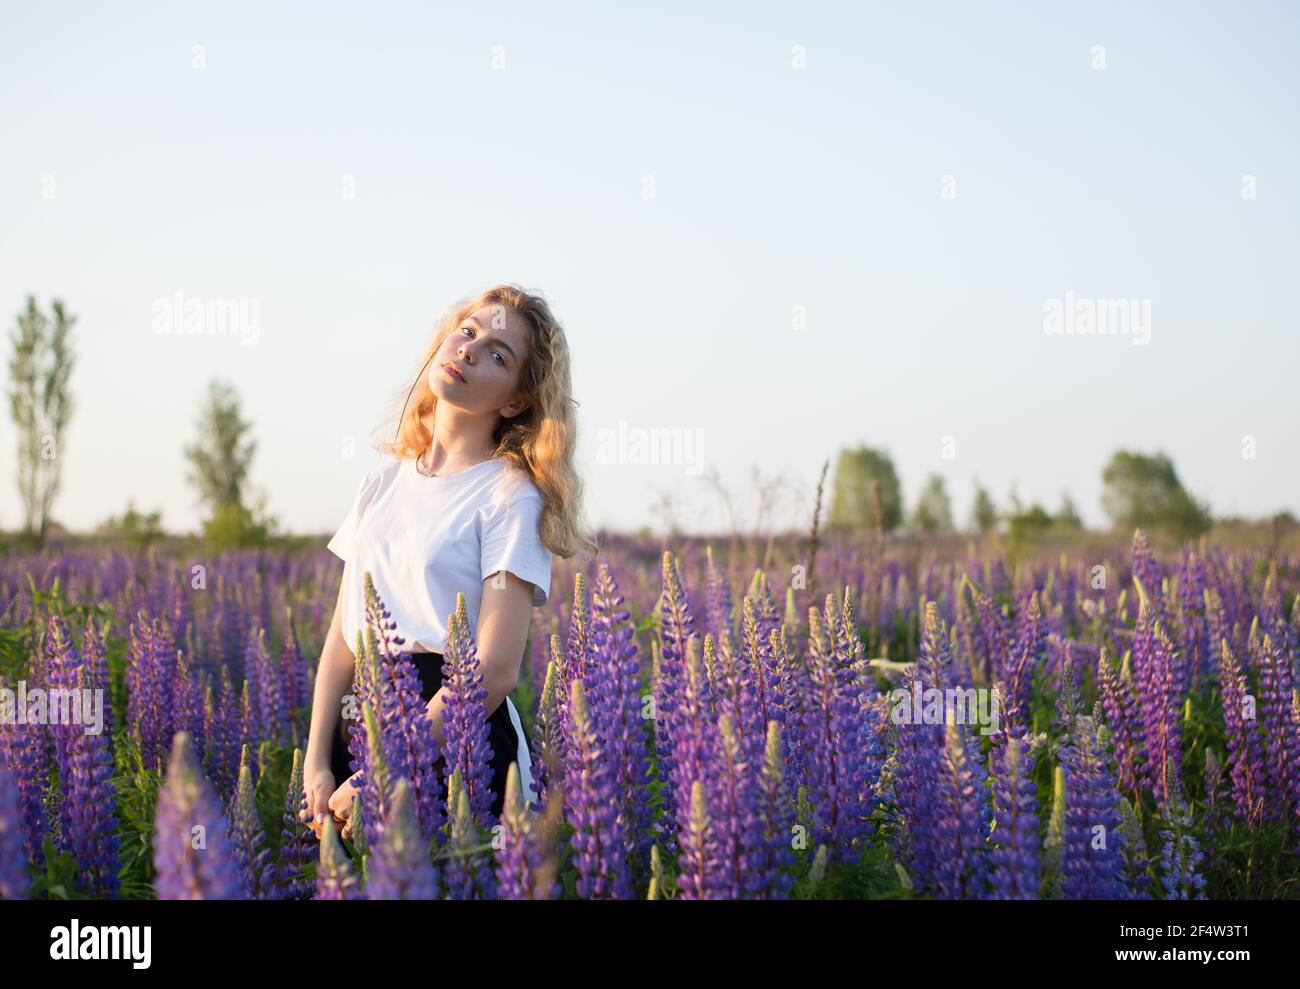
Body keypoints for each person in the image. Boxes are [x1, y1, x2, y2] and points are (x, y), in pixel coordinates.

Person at [300, 283, 597, 843]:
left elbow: (495, 668)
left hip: (459, 738)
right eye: (468, 332)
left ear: (515, 401)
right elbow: (342, 638)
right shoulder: (379, 484)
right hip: (360, 732)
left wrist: (387, 772)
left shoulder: (511, 496)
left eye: (497, 354)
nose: (470, 349)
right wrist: (317, 758)